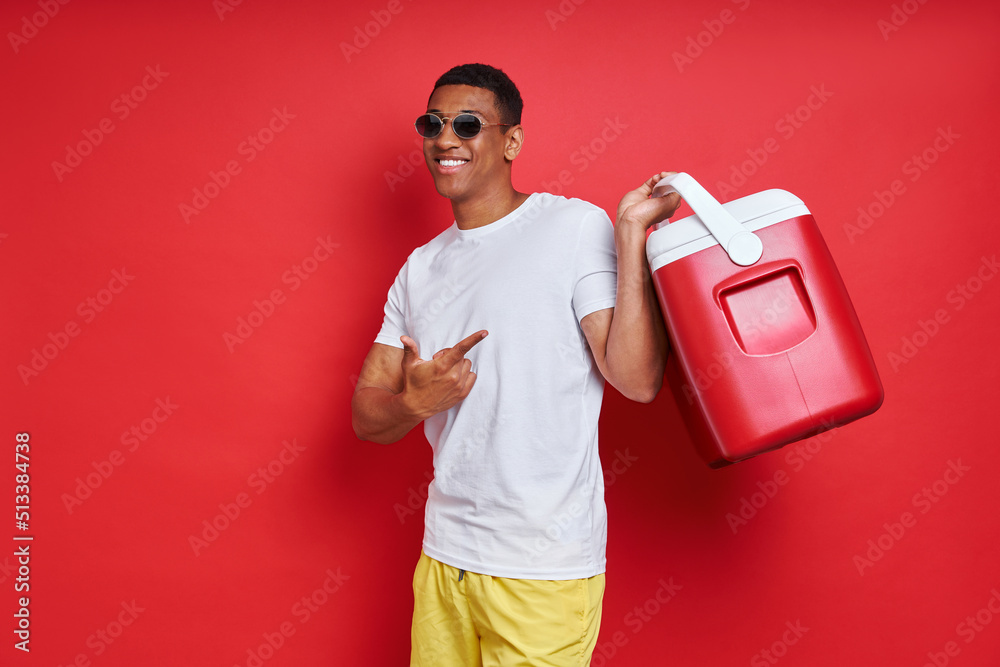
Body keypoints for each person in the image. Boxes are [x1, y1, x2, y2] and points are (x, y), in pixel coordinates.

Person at [351, 63, 681, 666]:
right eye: (433, 124)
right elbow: (366, 415)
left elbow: (635, 380)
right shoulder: (418, 269)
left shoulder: (573, 227)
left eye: (468, 124)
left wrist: (630, 234)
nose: (445, 139)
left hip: (542, 567)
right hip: (444, 560)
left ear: (512, 141)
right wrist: (413, 403)